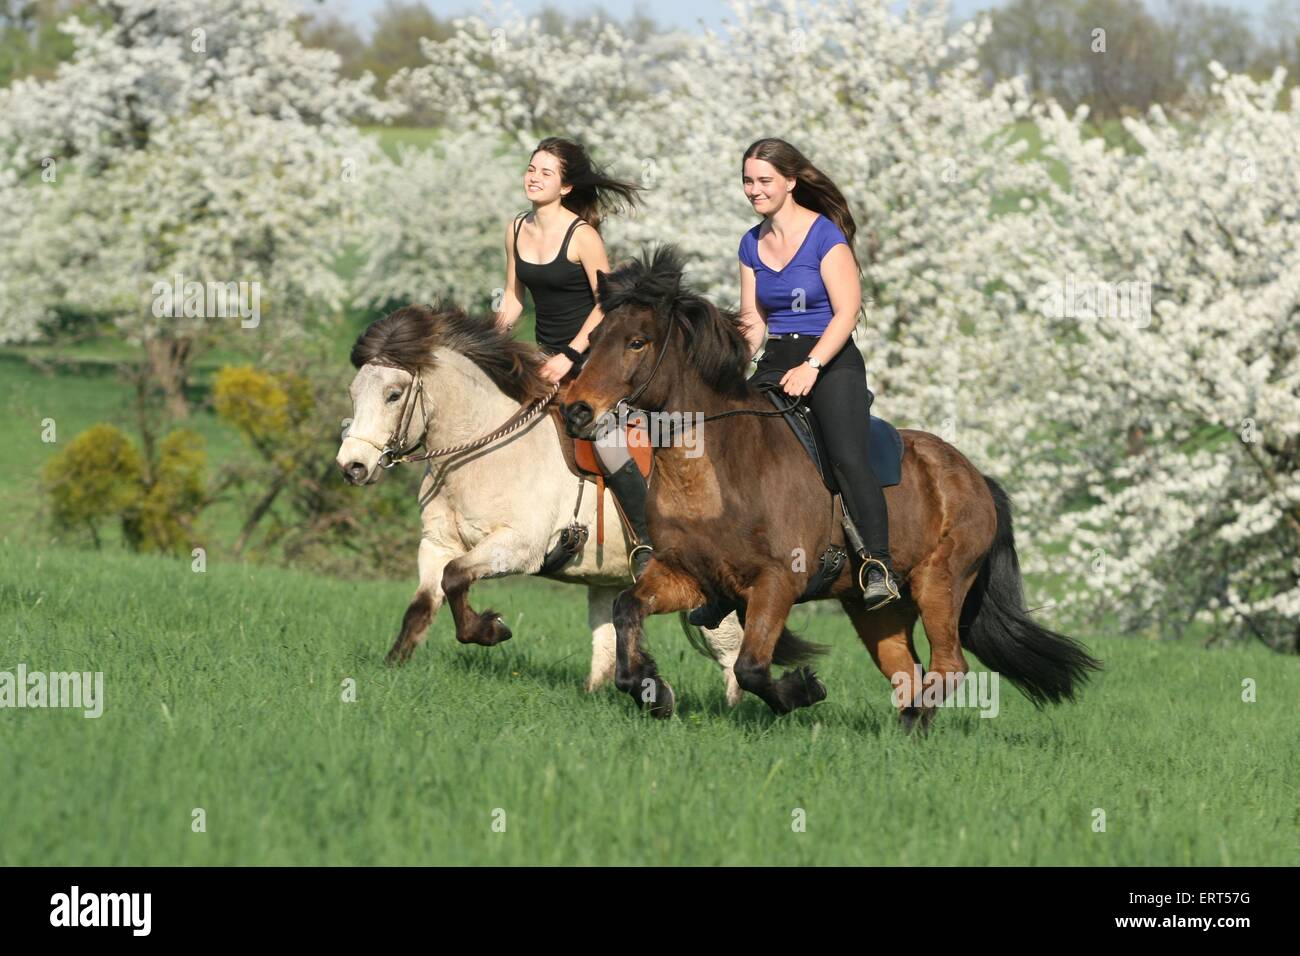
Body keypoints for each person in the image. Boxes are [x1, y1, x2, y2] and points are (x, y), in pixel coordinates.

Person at [691, 137, 898, 626]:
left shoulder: (825, 236)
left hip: (831, 357)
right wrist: (727, 367)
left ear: (790, 182)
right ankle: (726, 576)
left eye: (764, 180)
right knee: (734, 445)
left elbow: (847, 312)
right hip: (777, 356)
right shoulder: (750, 243)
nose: (754, 189)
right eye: (748, 180)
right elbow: (753, 319)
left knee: (846, 454)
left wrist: (814, 366)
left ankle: (877, 565)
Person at [493, 137, 654, 578]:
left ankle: (645, 541)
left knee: (604, 436)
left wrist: (570, 354)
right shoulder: (515, 228)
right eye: (531, 168)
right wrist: (490, 340)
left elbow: (607, 305)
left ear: (565, 187)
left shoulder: (582, 236)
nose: (534, 177)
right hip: (543, 357)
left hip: (592, 359)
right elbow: (512, 297)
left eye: (546, 172)